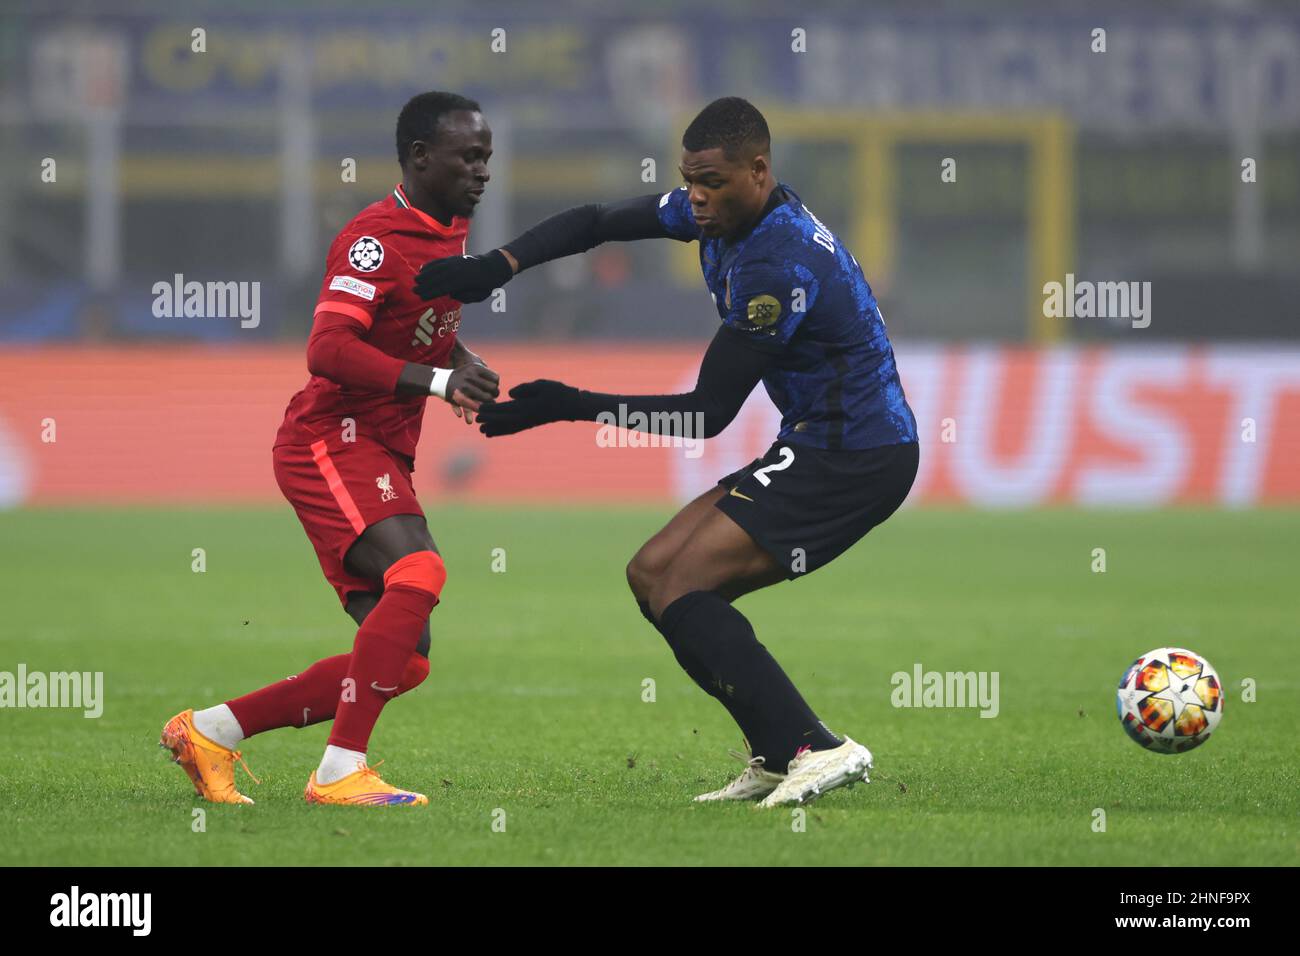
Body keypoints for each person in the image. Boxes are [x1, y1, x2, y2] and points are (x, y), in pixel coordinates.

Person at [414, 97, 919, 807]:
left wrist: (569, 406)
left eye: (711, 181)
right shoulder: (716, 209)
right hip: (817, 439)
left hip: (857, 453)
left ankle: (816, 746)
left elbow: (707, 414)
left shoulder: (780, 261)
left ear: (759, 170)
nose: (697, 198)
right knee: (653, 574)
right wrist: (499, 265)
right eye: (689, 181)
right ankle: (779, 753)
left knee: (686, 587)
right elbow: (594, 223)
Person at [160, 91, 500, 807]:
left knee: (404, 661)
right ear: (419, 157)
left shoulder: (452, 227)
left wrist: (458, 358)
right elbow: (327, 348)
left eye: (487, 157)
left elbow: (412, 320)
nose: (482, 171)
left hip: (381, 449)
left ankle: (212, 730)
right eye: (469, 157)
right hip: (330, 439)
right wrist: (437, 380)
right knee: (420, 569)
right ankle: (340, 771)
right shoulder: (372, 238)